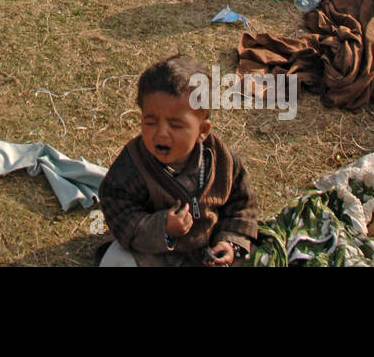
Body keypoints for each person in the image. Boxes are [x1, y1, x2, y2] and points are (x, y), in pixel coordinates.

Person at [98, 55, 258, 267]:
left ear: (202, 131)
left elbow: (242, 204)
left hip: (206, 252)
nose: (161, 134)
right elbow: (117, 207)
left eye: (175, 125)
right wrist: (162, 227)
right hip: (155, 254)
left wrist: (229, 242)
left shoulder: (222, 162)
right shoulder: (134, 162)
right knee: (115, 260)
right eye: (151, 122)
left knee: (254, 256)